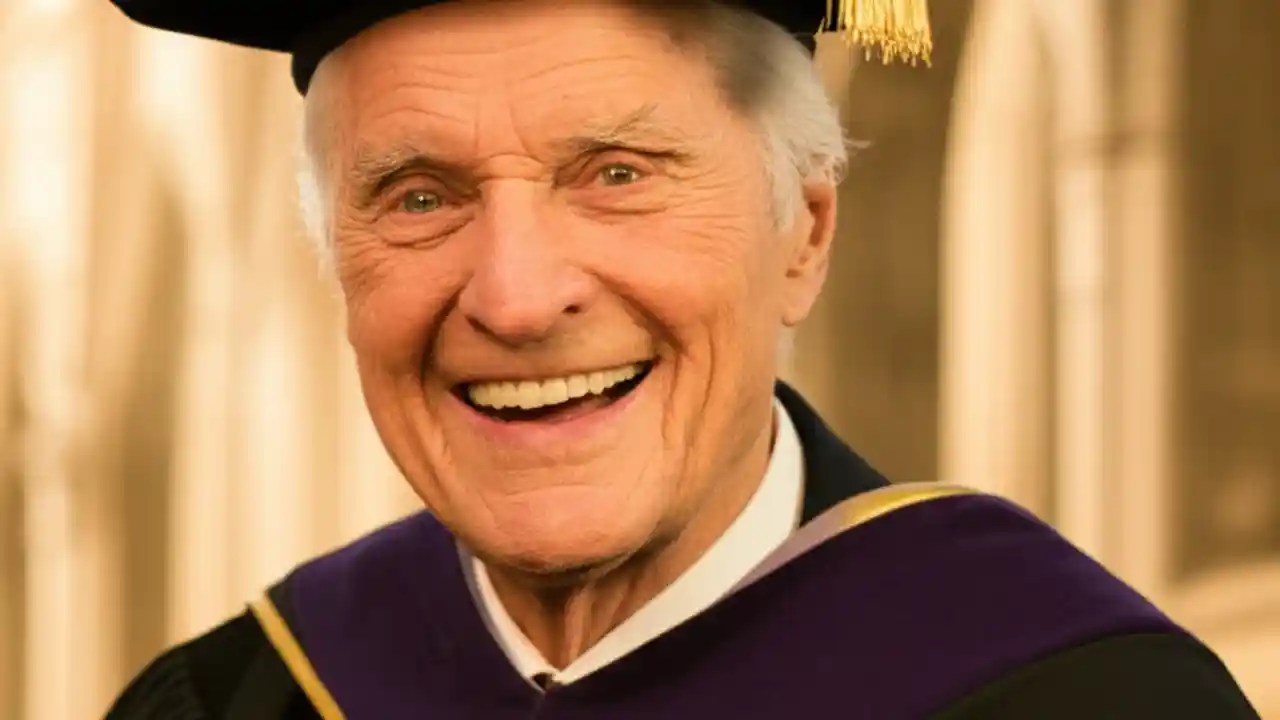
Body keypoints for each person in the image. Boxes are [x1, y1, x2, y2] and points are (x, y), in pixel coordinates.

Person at [104, 1, 1259, 718]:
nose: (514, 297)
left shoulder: (1072, 695)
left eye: (617, 174)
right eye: (418, 198)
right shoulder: (245, 698)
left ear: (803, 233)